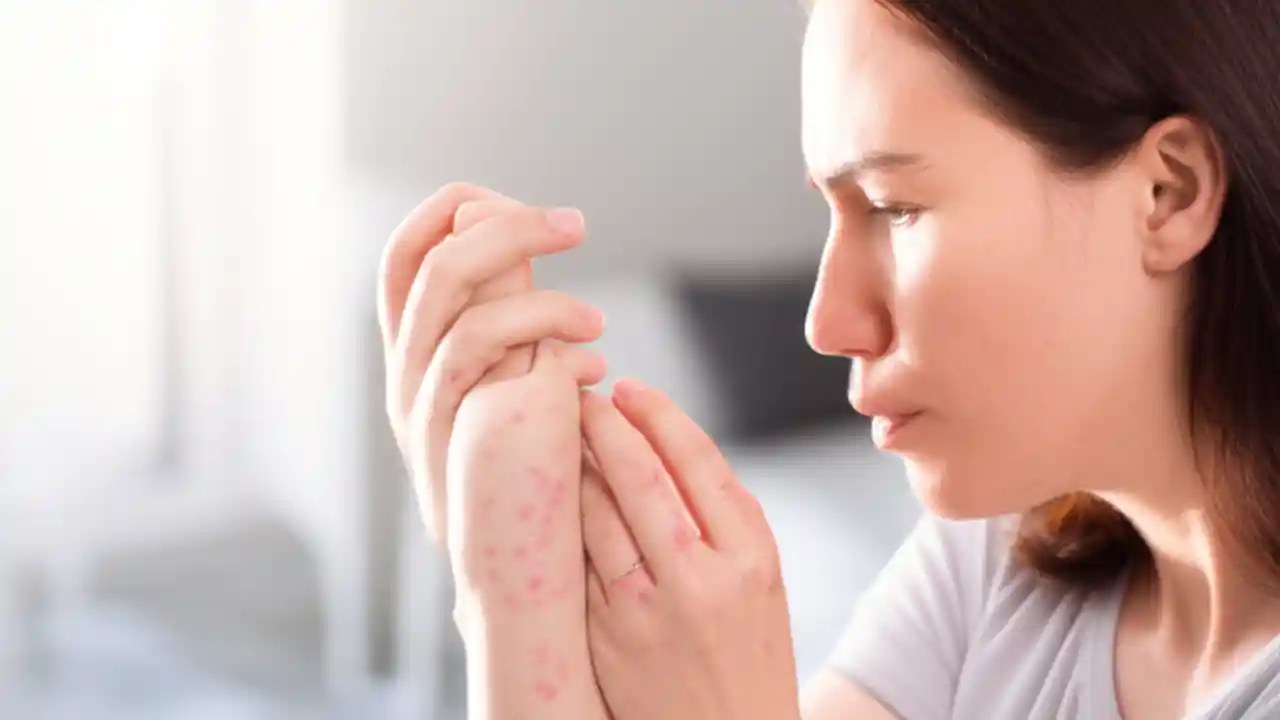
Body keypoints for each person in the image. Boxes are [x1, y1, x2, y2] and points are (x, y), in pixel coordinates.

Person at [376, 0, 1280, 717]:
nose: (826, 321)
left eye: (893, 207)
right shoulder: (995, 567)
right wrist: (514, 597)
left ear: (1168, 194)